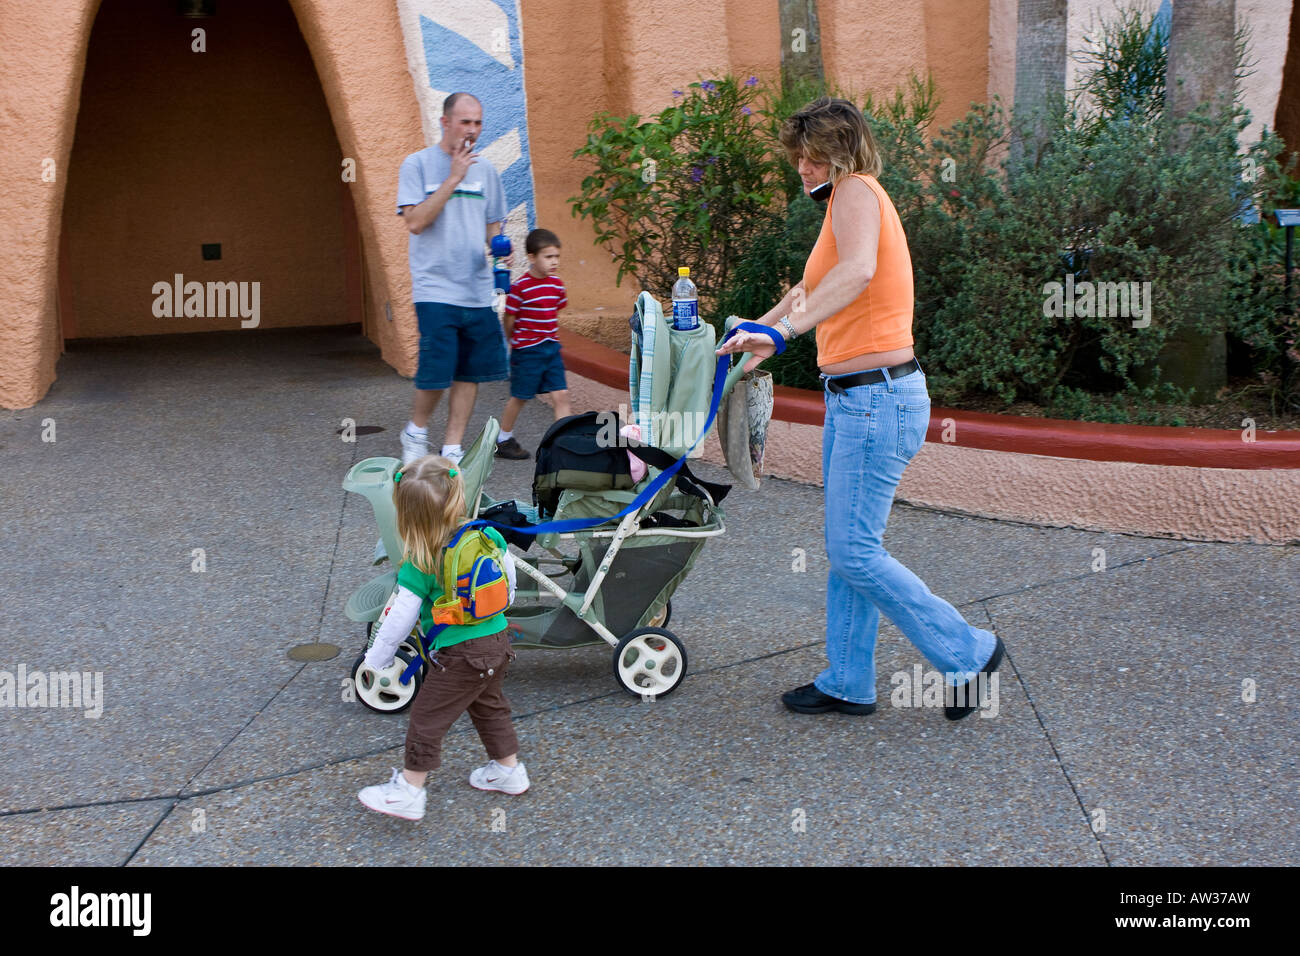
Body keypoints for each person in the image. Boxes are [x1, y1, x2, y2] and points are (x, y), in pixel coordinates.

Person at [717, 97, 1004, 720]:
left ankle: (969, 651)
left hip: (878, 398)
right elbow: (809, 290)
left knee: (853, 551)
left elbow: (857, 273)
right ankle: (849, 679)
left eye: (809, 154)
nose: (799, 166)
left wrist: (783, 336)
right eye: (798, 155)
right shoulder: (843, 206)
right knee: (850, 544)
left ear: (838, 153)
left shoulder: (856, 192)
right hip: (861, 400)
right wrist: (754, 330)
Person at [356, 455, 528, 822]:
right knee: (489, 705)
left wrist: (377, 657)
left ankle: (409, 789)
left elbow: (398, 618)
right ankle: (509, 771)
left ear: (406, 514)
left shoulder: (421, 560)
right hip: (497, 641)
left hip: (460, 655)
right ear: (457, 495)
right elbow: (509, 583)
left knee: (426, 719)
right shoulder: (486, 535)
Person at [396, 92, 509, 466]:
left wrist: (499, 246)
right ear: (445, 122)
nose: (472, 130)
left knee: (469, 371)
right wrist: (454, 177)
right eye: (465, 122)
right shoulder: (418, 165)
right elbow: (415, 222)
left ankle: (452, 448)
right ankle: (416, 431)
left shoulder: (488, 172)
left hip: (476, 290)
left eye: (478, 122)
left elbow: (493, 227)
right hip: (435, 288)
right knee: (437, 370)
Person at [493, 228, 572, 460]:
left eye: (556, 256)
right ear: (531, 257)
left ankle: (563, 445)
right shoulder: (520, 287)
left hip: (551, 348)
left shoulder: (557, 285)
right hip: (527, 351)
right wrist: (513, 341)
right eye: (548, 257)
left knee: (561, 395)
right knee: (520, 396)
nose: (554, 262)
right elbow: (510, 318)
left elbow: (555, 309)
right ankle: (503, 439)